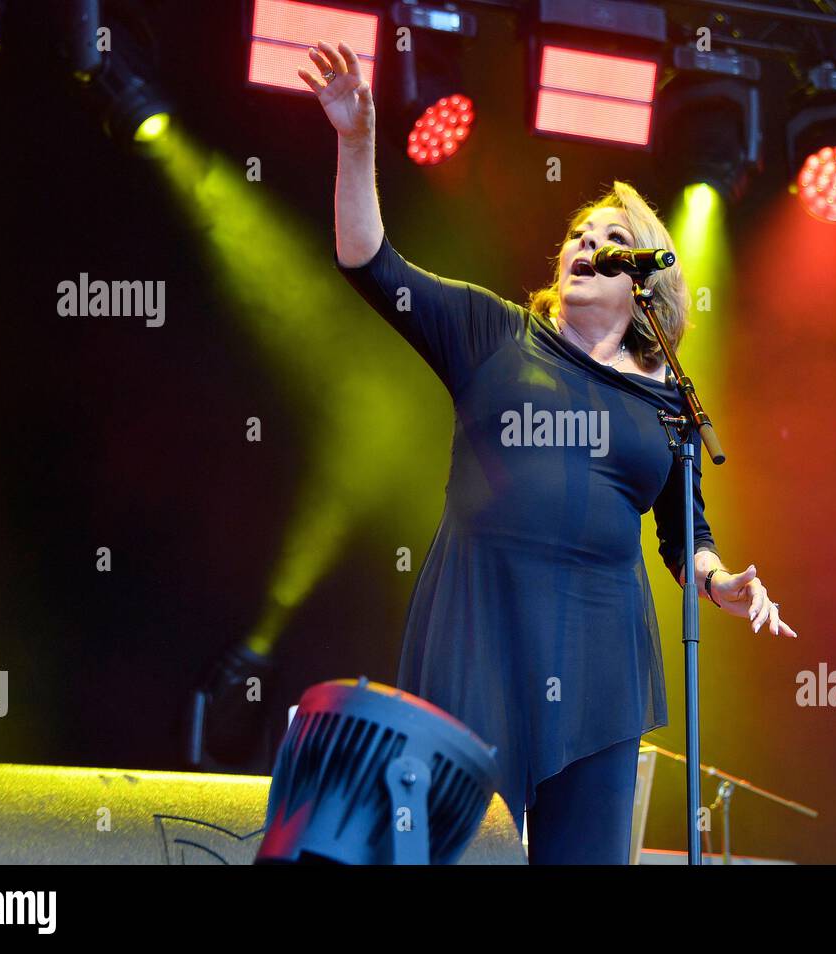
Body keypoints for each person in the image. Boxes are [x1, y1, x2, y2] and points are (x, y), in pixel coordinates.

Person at [300, 40, 798, 864]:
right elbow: (369, 262)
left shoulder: (667, 394)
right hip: (480, 629)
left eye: (608, 239)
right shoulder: (495, 333)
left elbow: (684, 530)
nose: (584, 244)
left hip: (602, 659)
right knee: (444, 851)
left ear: (645, 281)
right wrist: (357, 143)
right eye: (577, 232)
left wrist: (717, 580)